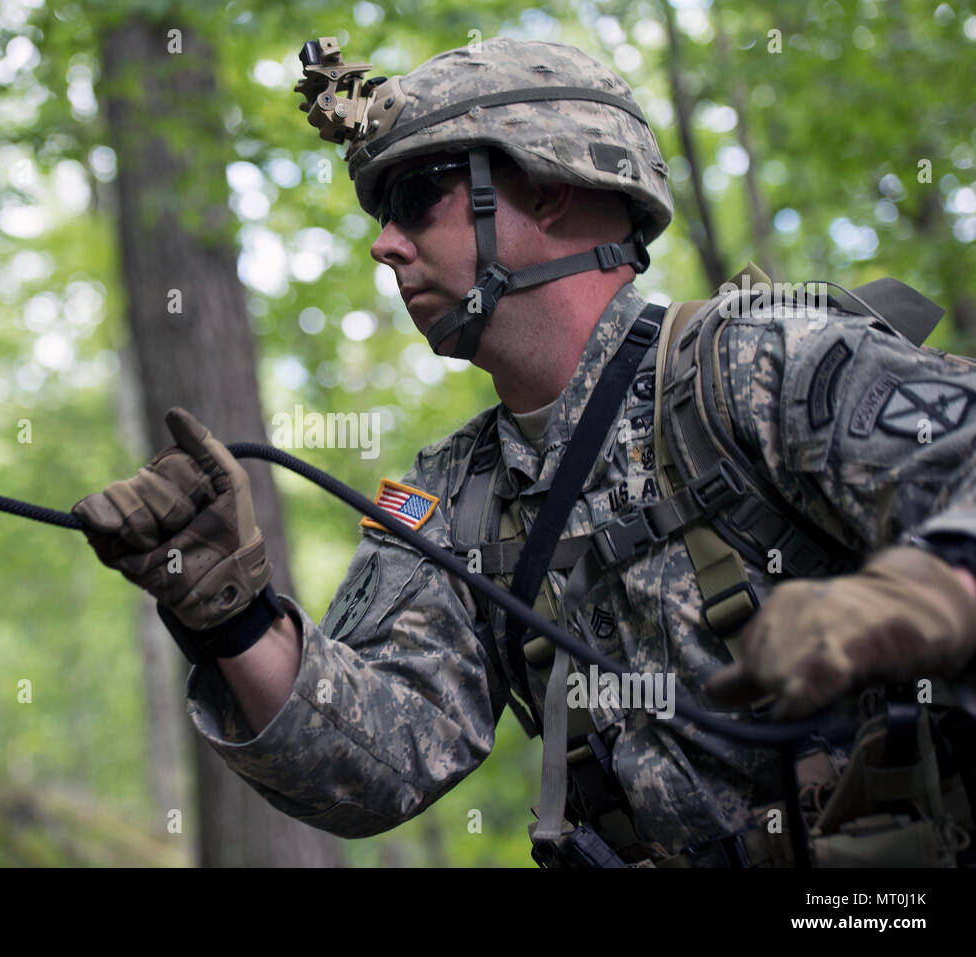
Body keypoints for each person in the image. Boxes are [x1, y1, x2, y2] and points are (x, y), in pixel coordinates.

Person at [73, 36, 976, 866]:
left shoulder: (755, 361)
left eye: (415, 195)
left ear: (550, 182)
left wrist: (919, 596)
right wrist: (223, 607)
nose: (385, 244)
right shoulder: (450, 494)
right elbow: (377, 757)